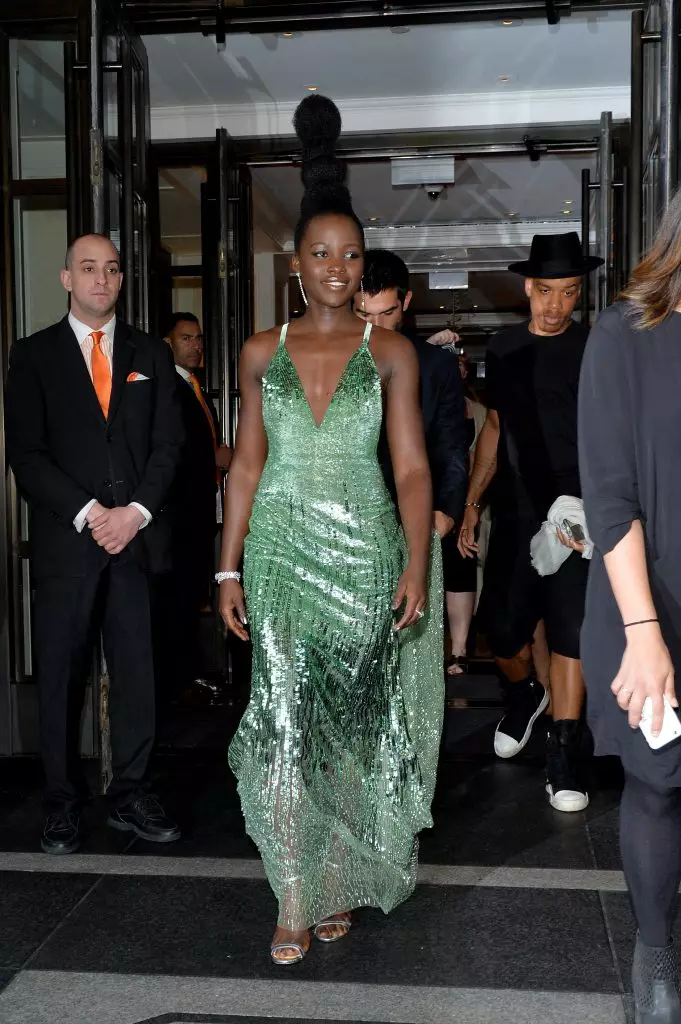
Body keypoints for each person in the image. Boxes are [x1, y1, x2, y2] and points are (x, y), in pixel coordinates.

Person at [218, 95, 443, 966]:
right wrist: (225, 570)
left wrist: (415, 561)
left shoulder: (390, 353)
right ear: (297, 263)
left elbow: (415, 470)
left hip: (362, 559)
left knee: (348, 726)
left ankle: (341, 873)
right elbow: (244, 467)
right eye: (321, 253)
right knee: (281, 722)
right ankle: (296, 893)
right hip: (276, 554)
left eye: (351, 254)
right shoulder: (256, 352)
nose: (339, 267)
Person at [5, 233, 184, 854]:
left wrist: (134, 513)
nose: (101, 279)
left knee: (138, 675)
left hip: (135, 543)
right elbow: (26, 456)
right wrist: (89, 513)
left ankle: (131, 794)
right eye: (88, 268)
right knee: (61, 678)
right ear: (66, 279)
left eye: (111, 269)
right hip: (68, 547)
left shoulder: (149, 354)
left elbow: (169, 445)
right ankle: (60, 803)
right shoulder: (31, 356)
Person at [579, 192, 681, 1022]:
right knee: (657, 783)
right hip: (647, 601)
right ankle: (653, 953)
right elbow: (610, 500)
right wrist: (644, 636)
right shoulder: (625, 334)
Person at [459, 232, 602, 812]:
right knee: (506, 632)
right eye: (546, 291)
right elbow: (494, 428)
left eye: (568, 293)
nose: (555, 305)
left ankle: (565, 750)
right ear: (527, 288)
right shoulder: (505, 348)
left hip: (579, 514)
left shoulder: (596, 349)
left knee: (570, 629)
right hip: (519, 511)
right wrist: (472, 502)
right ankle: (525, 695)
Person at [353, 249, 468, 545]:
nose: (375, 328)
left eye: (387, 313)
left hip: (413, 521)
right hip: (344, 522)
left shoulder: (435, 366)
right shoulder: (328, 364)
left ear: (405, 302)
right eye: (364, 314)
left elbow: (451, 447)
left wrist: (446, 510)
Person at [157, 312, 230, 704]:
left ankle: (187, 675)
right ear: (168, 344)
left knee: (191, 594)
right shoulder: (168, 387)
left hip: (200, 511)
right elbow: (176, 451)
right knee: (180, 598)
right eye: (187, 338)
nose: (197, 345)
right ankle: (178, 682)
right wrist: (214, 458)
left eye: (199, 338)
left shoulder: (194, 387)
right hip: (180, 517)